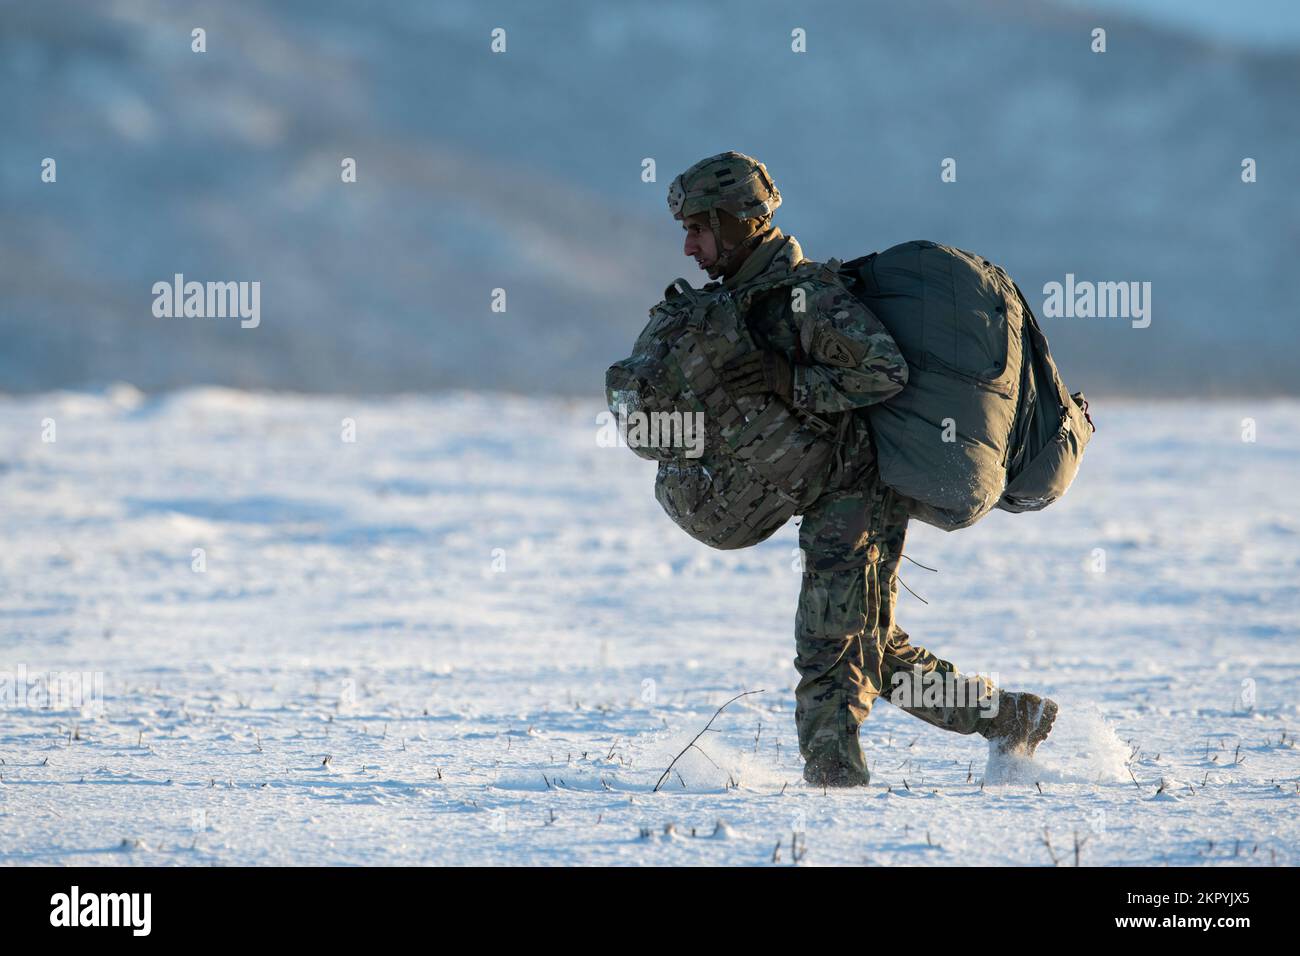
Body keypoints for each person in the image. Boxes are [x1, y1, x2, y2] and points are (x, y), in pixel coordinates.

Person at [667, 151, 1058, 787]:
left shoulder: (807, 296)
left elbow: (882, 373)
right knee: (874, 651)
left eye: (699, 229)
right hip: (831, 492)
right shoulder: (748, 300)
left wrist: (784, 381)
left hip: (855, 495)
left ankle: (835, 799)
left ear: (737, 221)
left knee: (828, 652)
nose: (688, 246)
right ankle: (1011, 717)